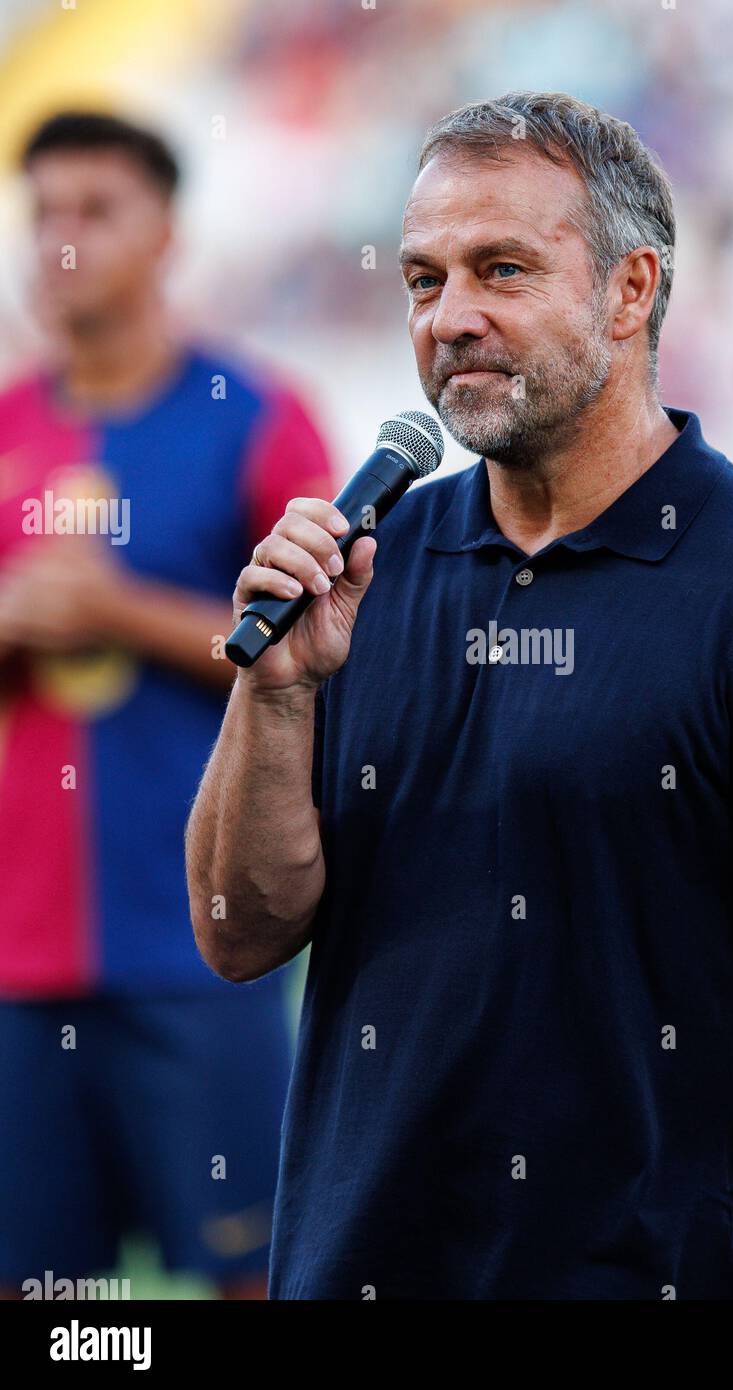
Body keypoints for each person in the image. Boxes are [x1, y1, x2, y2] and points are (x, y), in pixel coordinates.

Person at [187, 91, 733, 1300]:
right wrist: (273, 699)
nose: (452, 318)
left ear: (629, 290)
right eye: (424, 280)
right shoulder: (362, 573)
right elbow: (238, 933)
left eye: (501, 270)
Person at [0, 112, 333, 1298]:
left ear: (167, 234)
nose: (63, 244)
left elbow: (330, 649)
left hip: (205, 947)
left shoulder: (255, 416)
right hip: (23, 957)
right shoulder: (5, 426)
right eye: (44, 215)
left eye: (97, 212)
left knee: (248, 1276)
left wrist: (124, 610)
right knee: (52, 1300)